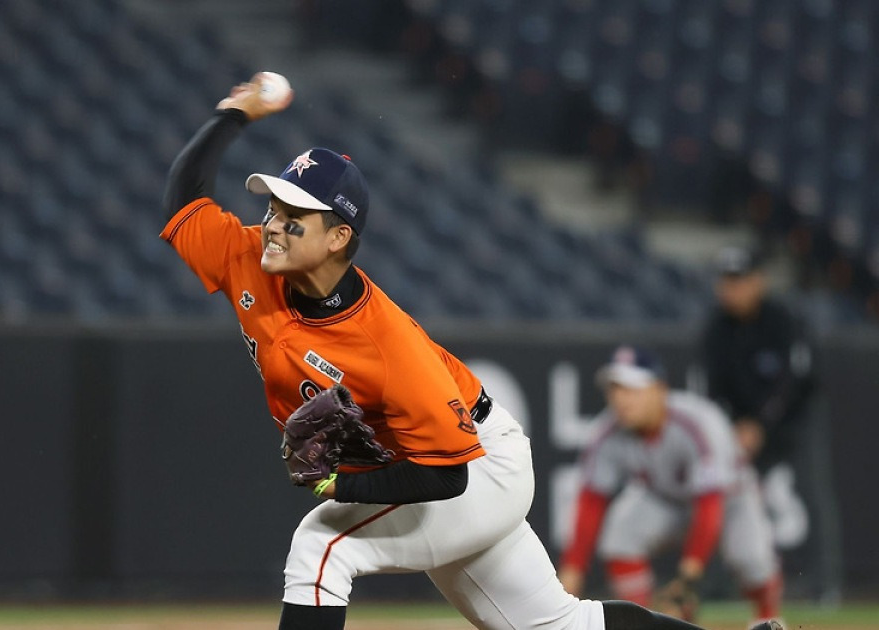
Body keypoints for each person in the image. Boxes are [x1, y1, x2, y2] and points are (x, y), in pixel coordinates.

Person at [160, 72, 785, 630]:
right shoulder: (249, 258)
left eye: (295, 214)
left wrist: (342, 480)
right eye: (272, 205)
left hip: (477, 466)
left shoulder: (386, 343)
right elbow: (185, 200)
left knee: (322, 547)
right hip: (441, 463)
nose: (272, 222)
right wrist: (231, 115)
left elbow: (444, 474)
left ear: (338, 237)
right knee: (558, 627)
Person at [557, 345, 784, 628]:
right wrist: (573, 571)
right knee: (620, 535)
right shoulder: (606, 432)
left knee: (753, 562)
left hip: (729, 500)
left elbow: (709, 505)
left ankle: (768, 618)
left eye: (632, 389)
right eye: (614, 390)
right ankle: (643, 622)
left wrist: (687, 578)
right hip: (666, 499)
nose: (621, 400)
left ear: (660, 389)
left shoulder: (697, 422)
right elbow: (591, 503)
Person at [700, 246, 815, 477]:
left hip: (787, 432)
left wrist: (761, 425)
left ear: (759, 281)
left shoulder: (783, 320)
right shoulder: (715, 328)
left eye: (739, 281)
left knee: (799, 502)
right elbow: (707, 387)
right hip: (734, 435)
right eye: (726, 281)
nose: (732, 290)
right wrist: (733, 426)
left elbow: (794, 380)